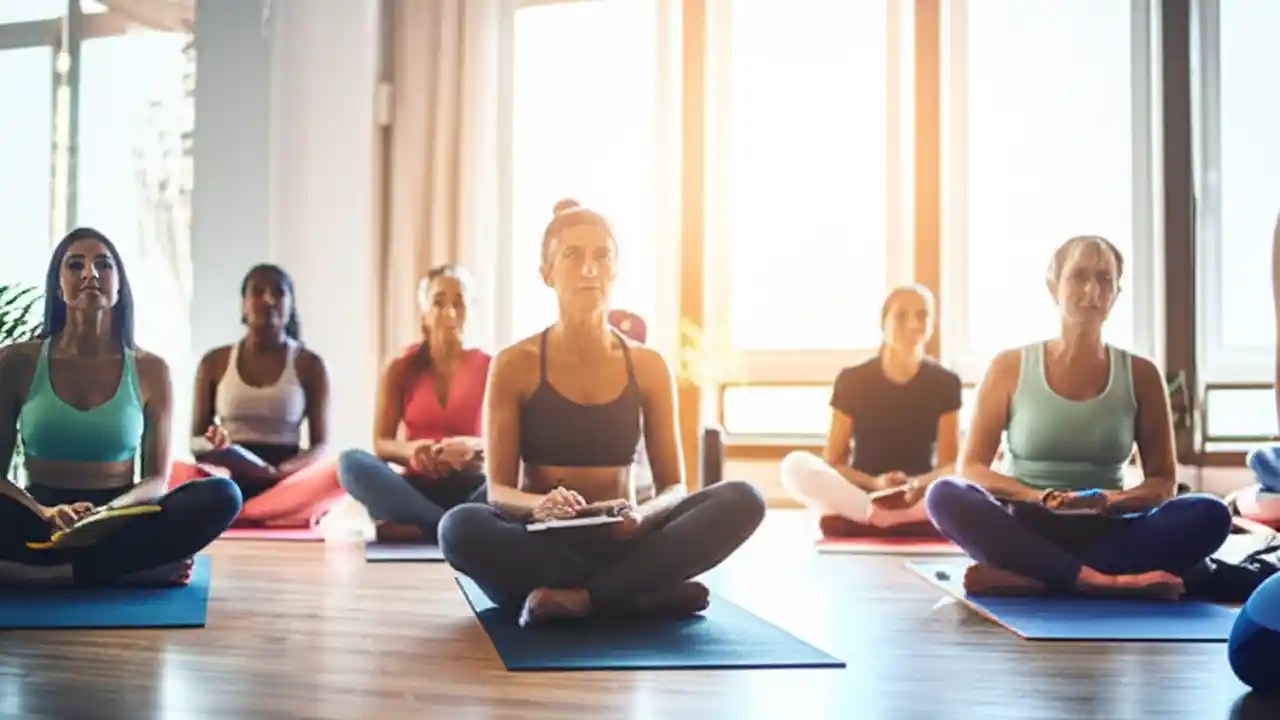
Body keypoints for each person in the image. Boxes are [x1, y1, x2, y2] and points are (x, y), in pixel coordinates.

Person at [438, 199, 766, 626]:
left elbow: (674, 487)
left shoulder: (647, 365)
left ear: (615, 269)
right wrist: (539, 507)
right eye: (573, 256)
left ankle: (585, 597)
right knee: (458, 528)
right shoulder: (514, 363)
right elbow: (499, 490)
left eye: (602, 256)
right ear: (547, 273)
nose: (589, 268)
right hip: (544, 539)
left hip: (625, 536)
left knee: (744, 498)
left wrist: (640, 517)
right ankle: (633, 594)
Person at [924, 235, 1232, 599]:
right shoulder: (1009, 366)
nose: (1092, 290)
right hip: (1027, 524)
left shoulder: (1142, 375)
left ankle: (1035, 576)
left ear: (1117, 293)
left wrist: (1108, 501)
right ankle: (1103, 580)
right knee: (944, 494)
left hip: (1110, 526)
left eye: (1105, 279)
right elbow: (973, 467)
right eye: (1079, 276)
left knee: (1211, 513)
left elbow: (1162, 481)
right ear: (1054, 287)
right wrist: (1040, 497)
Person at [0, 228, 241, 586]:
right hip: (42, 519)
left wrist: (109, 514)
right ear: (57, 286)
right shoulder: (16, 361)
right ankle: (124, 570)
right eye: (75, 265)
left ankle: (50, 576)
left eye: (103, 264)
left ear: (119, 287)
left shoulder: (151, 370)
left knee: (223, 494)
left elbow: (156, 479)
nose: (90, 273)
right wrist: (46, 512)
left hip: (121, 517)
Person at [781, 285, 961, 537]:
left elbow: (949, 466)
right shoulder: (852, 380)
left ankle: (882, 519)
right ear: (883, 323)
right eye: (901, 315)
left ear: (932, 324)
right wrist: (875, 483)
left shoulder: (946, 383)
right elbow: (834, 462)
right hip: (862, 492)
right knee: (794, 465)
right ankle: (882, 516)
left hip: (917, 494)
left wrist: (916, 484)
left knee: (984, 471)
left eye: (922, 316)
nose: (912, 324)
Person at [180, 264, 342, 529]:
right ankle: (260, 513)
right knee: (175, 472)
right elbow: (196, 441)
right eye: (257, 292)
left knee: (341, 468)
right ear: (243, 305)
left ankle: (243, 512)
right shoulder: (214, 362)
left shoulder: (310, 365)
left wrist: (278, 473)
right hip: (230, 472)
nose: (267, 301)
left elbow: (320, 446)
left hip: (285, 478)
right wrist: (221, 448)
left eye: (278, 293)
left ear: (291, 306)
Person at [338, 265, 490, 542]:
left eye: (459, 303)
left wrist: (471, 446)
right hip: (415, 487)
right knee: (350, 463)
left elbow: (506, 445)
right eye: (439, 302)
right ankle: (446, 528)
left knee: (504, 490)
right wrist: (412, 451)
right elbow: (381, 443)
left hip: (471, 487)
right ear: (424, 314)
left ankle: (423, 527)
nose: (450, 313)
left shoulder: (492, 368)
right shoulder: (400, 368)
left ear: (471, 311)